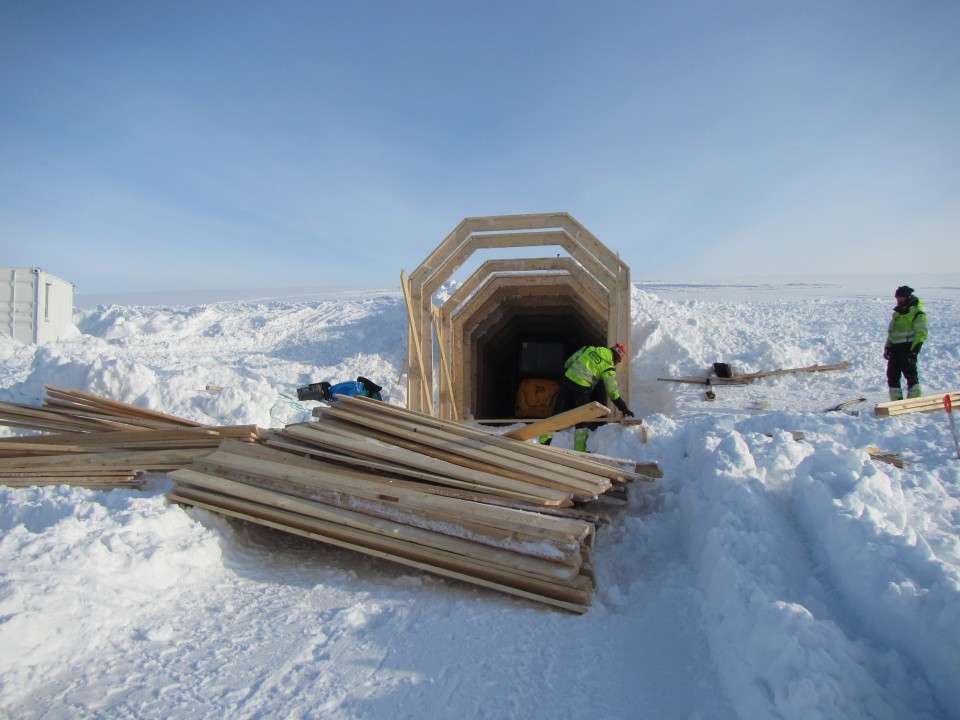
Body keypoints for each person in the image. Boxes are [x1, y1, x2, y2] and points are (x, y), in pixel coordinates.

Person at [539, 343, 633, 452]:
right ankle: (579, 449)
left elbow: (570, 361)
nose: (617, 363)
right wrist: (624, 408)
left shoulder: (589, 349)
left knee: (558, 411)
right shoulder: (608, 368)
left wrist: (567, 374)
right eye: (619, 361)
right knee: (582, 419)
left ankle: (545, 439)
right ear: (616, 357)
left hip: (567, 380)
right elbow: (612, 392)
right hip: (582, 388)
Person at [884, 285, 928, 401]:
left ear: (908, 297)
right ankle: (896, 401)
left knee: (910, 375)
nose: (898, 300)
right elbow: (892, 333)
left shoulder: (918, 314)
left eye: (901, 297)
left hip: (908, 348)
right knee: (892, 375)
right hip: (895, 349)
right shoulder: (897, 314)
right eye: (897, 297)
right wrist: (888, 347)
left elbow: (921, 334)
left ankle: (915, 400)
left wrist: (914, 352)